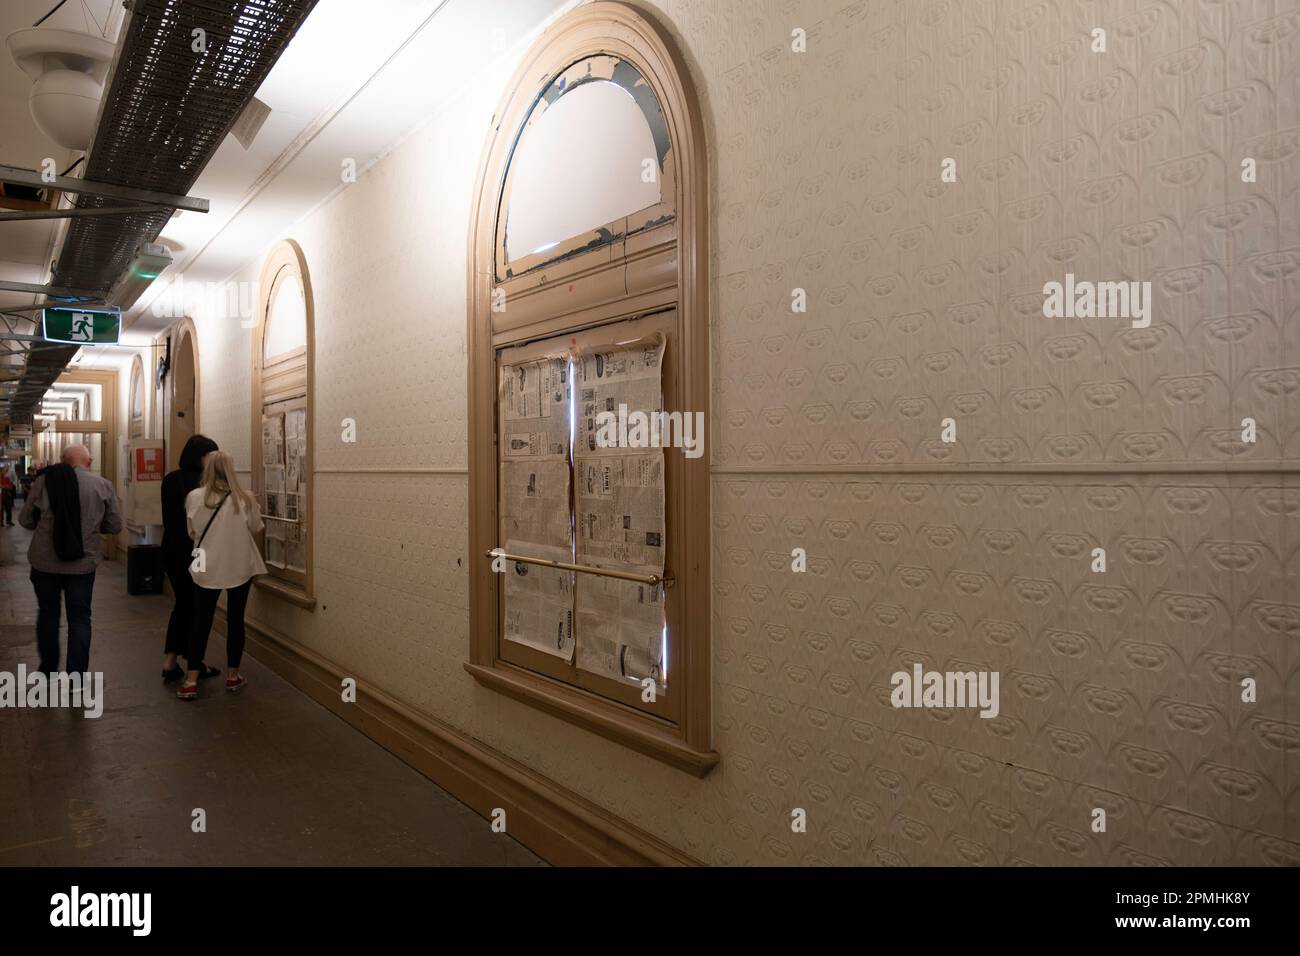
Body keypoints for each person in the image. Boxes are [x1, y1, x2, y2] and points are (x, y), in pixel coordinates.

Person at [18, 445, 123, 674]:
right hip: (82, 565)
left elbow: (25, 520)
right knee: (80, 619)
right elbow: (115, 525)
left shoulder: (44, 482)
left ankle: (48, 670)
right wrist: (92, 528)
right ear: (89, 460)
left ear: (62, 461)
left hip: (44, 563)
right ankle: (76, 676)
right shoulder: (102, 485)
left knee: (47, 614)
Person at [178, 450, 266, 700]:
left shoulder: (194, 497)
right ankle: (232, 676)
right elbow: (255, 527)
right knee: (236, 620)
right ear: (231, 469)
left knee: (201, 620)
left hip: (205, 564)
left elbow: (191, 530)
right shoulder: (244, 499)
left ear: (206, 470)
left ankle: (191, 679)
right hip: (239, 564)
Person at [159, 434, 221, 683]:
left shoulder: (170, 480)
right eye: (211, 455)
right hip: (198, 553)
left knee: (183, 604)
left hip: (171, 550)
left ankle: (170, 660)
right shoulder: (206, 484)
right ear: (202, 456)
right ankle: (195, 664)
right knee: (199, 609)